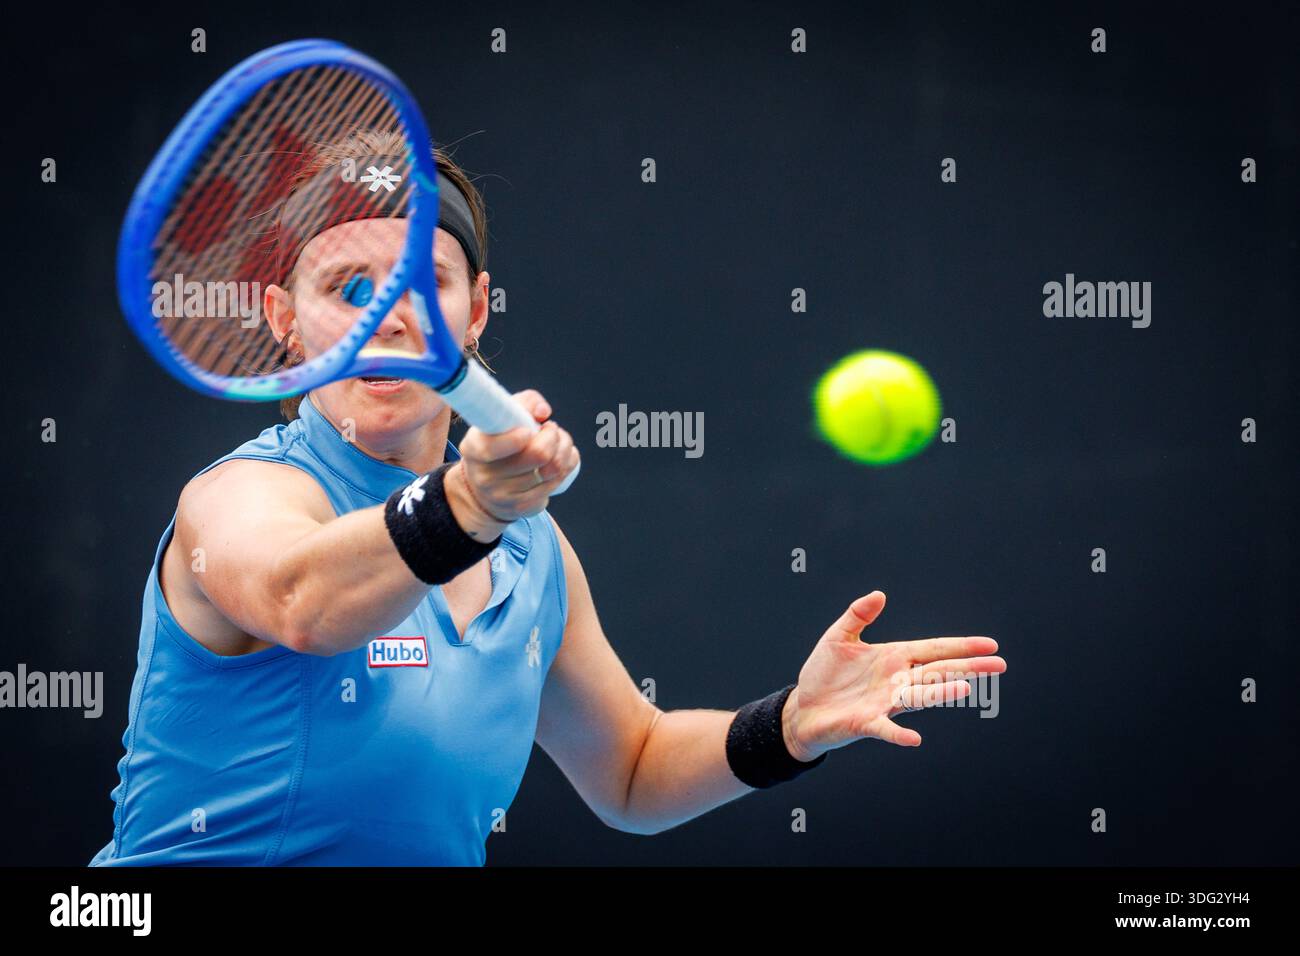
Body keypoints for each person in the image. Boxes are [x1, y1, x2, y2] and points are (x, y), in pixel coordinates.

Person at [90, 133, 1006, 865]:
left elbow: (635, 772)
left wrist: (788, 729)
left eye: (423, 280)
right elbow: (302, 601)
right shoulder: (241, 496)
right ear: (284, 318)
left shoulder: (535, 554)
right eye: (348, 287)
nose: (388, 314)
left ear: (477, 308)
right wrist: (469, 507)